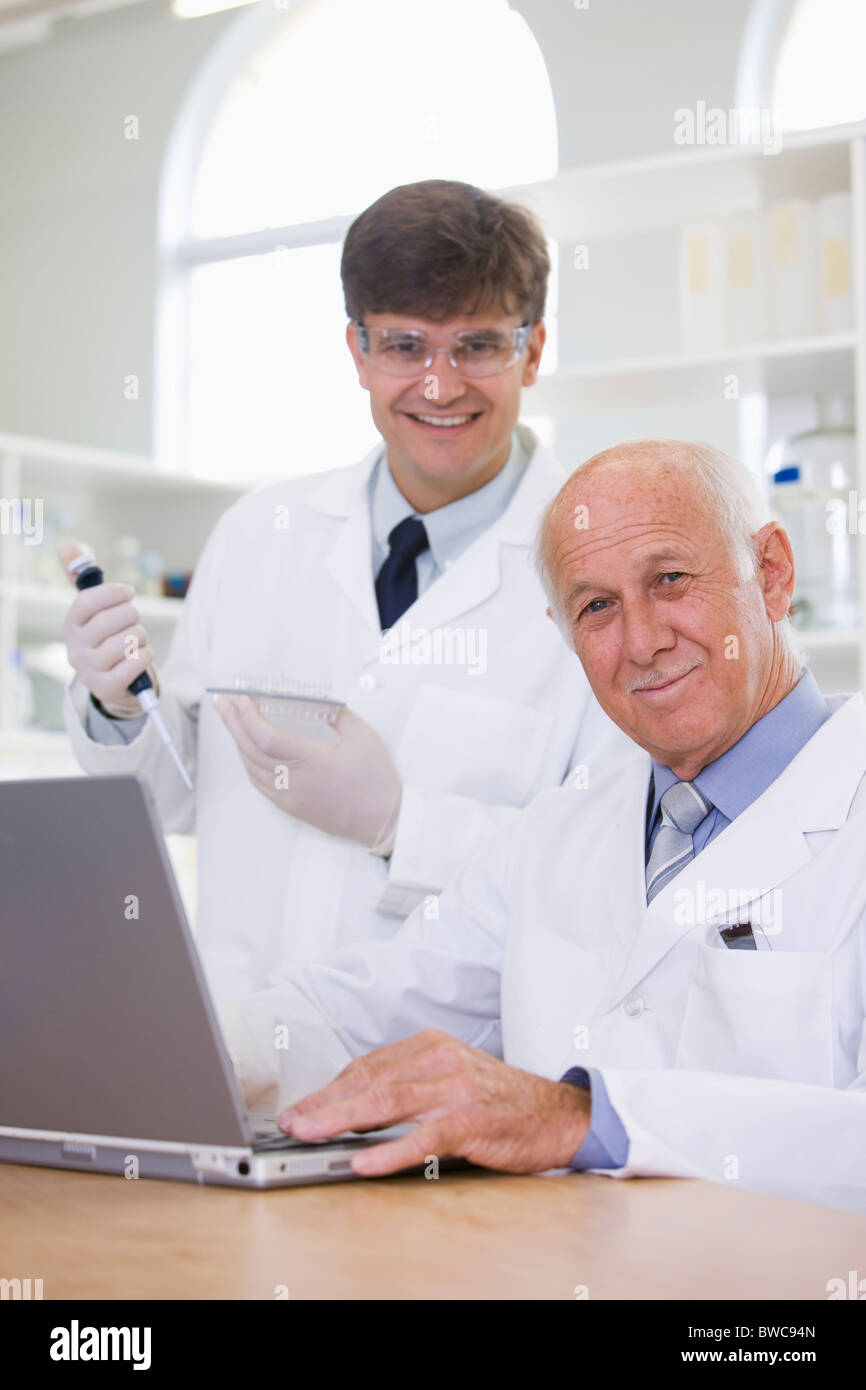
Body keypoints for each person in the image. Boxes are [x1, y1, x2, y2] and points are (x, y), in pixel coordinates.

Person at [222, 439, 866, 1214]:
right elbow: (361, 1014)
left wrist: (581, 1120)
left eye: (670, 580)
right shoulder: (557, 833)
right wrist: (176, 1044)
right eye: (596, 606)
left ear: (771, 573)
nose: (642, 642)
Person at [58, 179, 625, 1003]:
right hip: (246, 1053)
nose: (439, 385)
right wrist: (115, 705)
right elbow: (178, 798)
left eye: (477, 345)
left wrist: (403, 823)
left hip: (459, 1086)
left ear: (533, 351)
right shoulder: (260, 535)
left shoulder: (604, 573)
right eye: (404, 346)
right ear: (357, 350)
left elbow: (611, 874)